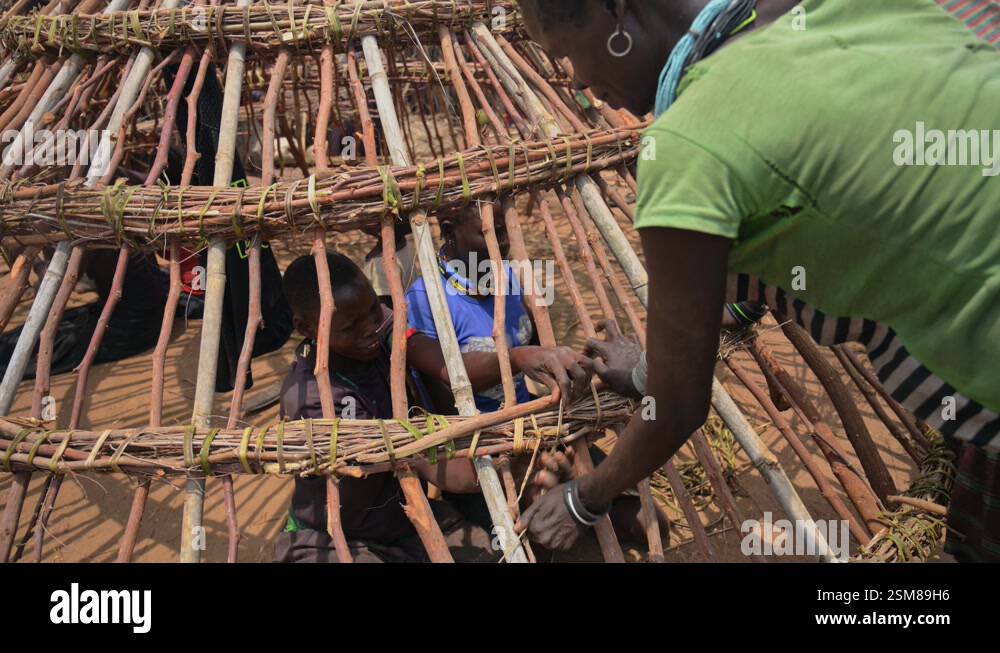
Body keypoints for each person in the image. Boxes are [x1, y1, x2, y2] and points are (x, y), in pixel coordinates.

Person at [513, 0, 1000, 561]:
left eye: (565, 53)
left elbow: (677, 407)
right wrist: (649, 369)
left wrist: (584, 499)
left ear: (614, 11)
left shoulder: (688, 148)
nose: (579, 81)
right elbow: (810, 211)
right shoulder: (826, 11)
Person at [406, 202, 670, 545]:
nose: (502, 242)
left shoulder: (513, 279)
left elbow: (544, 353)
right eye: (490, 232)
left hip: (539, 428)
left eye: (505, 231)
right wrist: (515, 359)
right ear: (449, 226)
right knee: (534, 531)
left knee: (650, 525)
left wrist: (592, 366)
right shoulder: (425, 299)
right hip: (478, 452)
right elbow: (447, 383)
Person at [275, 251, 497, 563]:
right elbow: (449, 472)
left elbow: (450, 368)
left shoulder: (379, 327)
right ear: (307, 328)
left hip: (401, 519)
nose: (370, 329)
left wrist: (518, 357)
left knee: (488, 553)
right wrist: (504, 461)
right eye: (351, 326)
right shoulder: (313, 401)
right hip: (337, 537)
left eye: (373, 312)